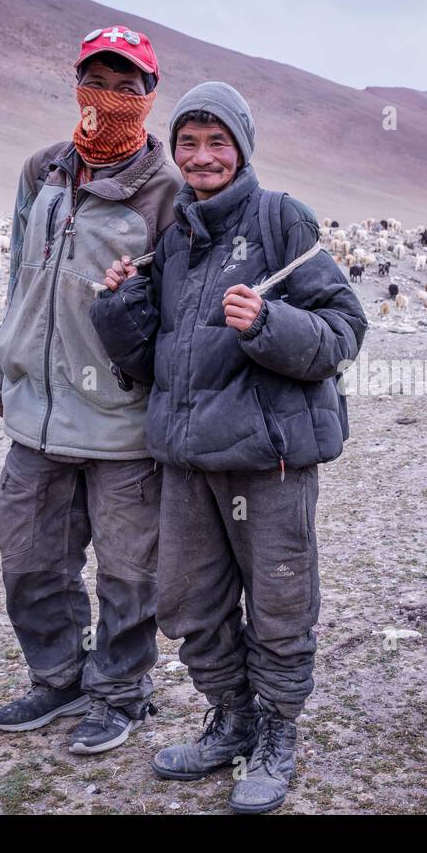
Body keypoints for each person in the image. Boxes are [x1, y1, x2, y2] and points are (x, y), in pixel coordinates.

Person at [90, 81, 367, 811]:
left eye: (217, 142)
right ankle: (232, 720)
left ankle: (277, 733)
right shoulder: (176, 238)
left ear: (242, 147)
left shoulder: (281, 219)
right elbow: (152, 361)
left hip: (267, 461)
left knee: (279, 604)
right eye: (189, 142)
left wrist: (270, 322)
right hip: (187, 461)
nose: (202, 156)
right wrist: (118, 308)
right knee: (188, 603)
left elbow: (344, 330)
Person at [0, 26, 180, 755]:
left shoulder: (169, 191)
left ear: (150, 96)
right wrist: (1, 370)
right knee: (29, 559)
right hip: (36, 414)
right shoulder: (42, 171)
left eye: (129, 87)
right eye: (100, 82)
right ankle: (58, 677)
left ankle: (122, 693)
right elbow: (18, 279)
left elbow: (180, 309)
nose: (113, 98)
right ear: (77, 85)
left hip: (123, 423)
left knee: (129, 573)